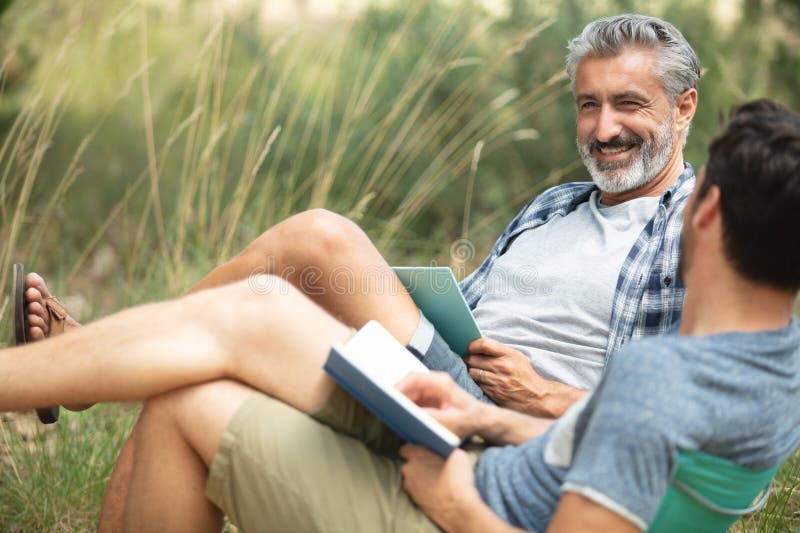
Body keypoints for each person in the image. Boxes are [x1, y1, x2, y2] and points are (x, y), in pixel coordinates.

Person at [6, 99, 799, 531]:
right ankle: (65, 373)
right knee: (263, 302)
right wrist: (481, 417)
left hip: (465, 500)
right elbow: (626, 453)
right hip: (475, 442)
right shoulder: (779, 361)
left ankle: (54, 375)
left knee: (188, 398)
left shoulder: (659, 380)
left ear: (706, 213)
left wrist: (455, 497)